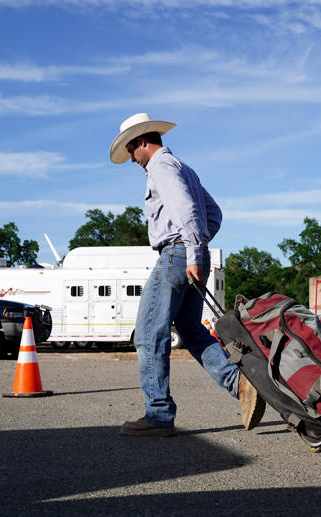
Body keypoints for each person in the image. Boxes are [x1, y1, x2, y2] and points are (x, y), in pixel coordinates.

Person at [109, 113, 265, 437]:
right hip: (191, 254)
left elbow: (187, 210)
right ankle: (241, 385)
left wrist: (191, 249)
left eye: (131, 151)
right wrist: (200, 246)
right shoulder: (183, 167)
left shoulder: (160, 167)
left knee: (149, 333)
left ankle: (158, 415)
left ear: (141, 142)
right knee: (192, 330)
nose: (133, 160)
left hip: (177, 255)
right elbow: (213, 213)